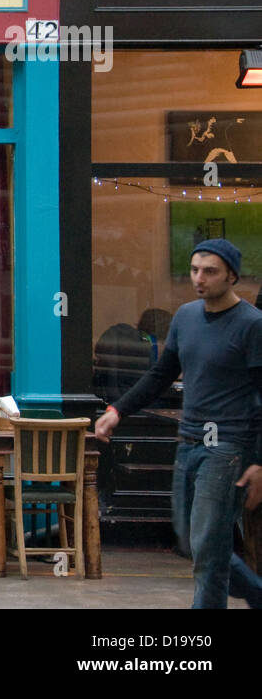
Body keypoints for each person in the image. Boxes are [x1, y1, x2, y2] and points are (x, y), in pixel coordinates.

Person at [94, 238, 262, 608]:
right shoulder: (186, 317)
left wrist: (258, 462)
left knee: (207, 551)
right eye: (195, 270)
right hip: (188, 444)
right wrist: (117, 411)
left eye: (210, 271)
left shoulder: (252, 325)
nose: (199, 278)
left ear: (232, 276)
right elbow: (161, 374)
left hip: (228, 448)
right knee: (192, 543)